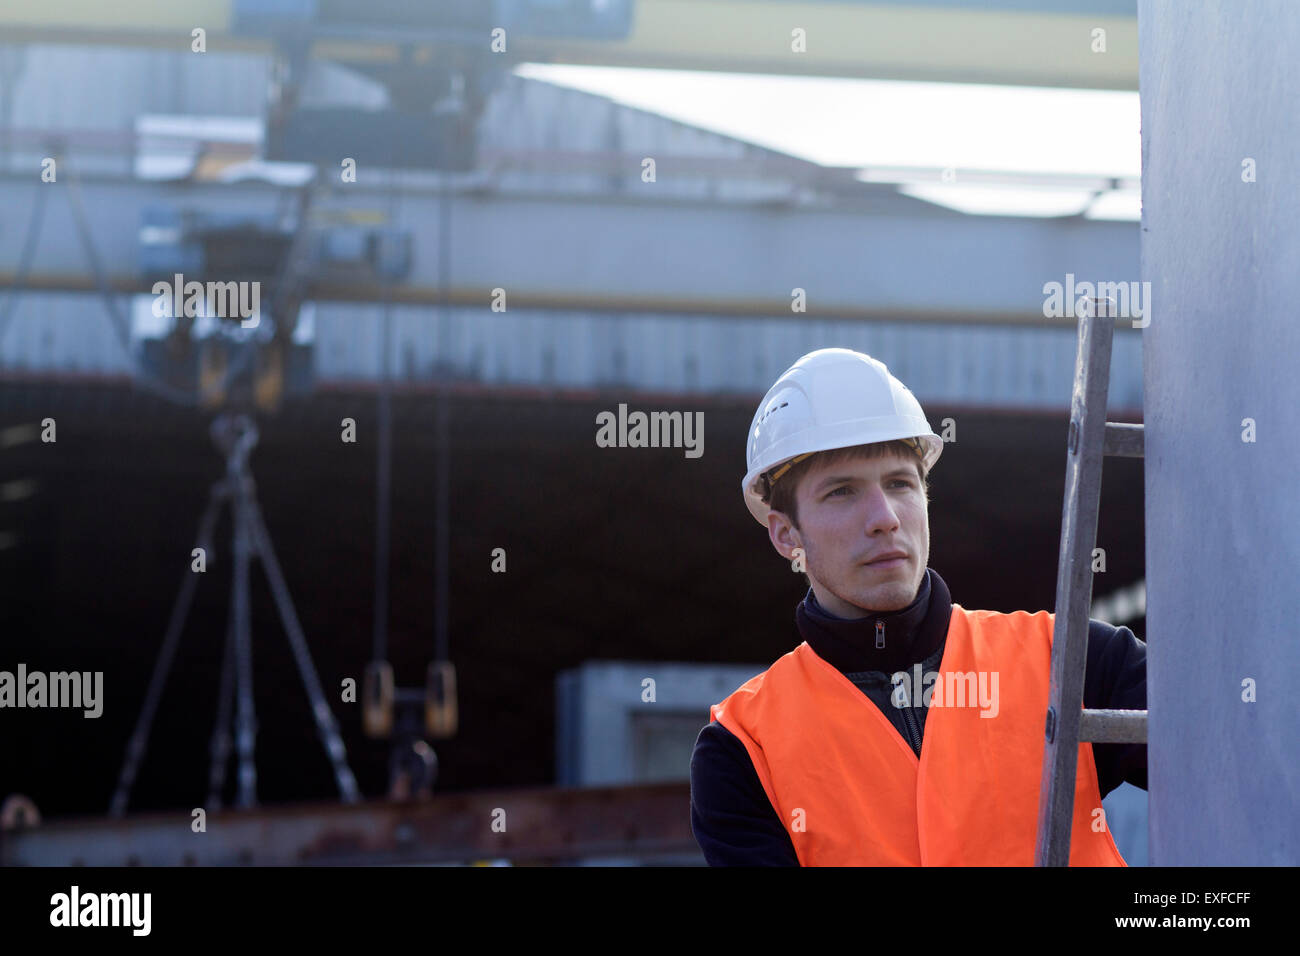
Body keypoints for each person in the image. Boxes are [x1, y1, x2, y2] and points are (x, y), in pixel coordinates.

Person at [690, 348, 1147, 866]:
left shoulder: (1072, 659)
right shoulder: (745, 747)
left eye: (899, 483)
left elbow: (1239, 758)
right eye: (842, 492)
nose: (884, 517)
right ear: (785, 532)